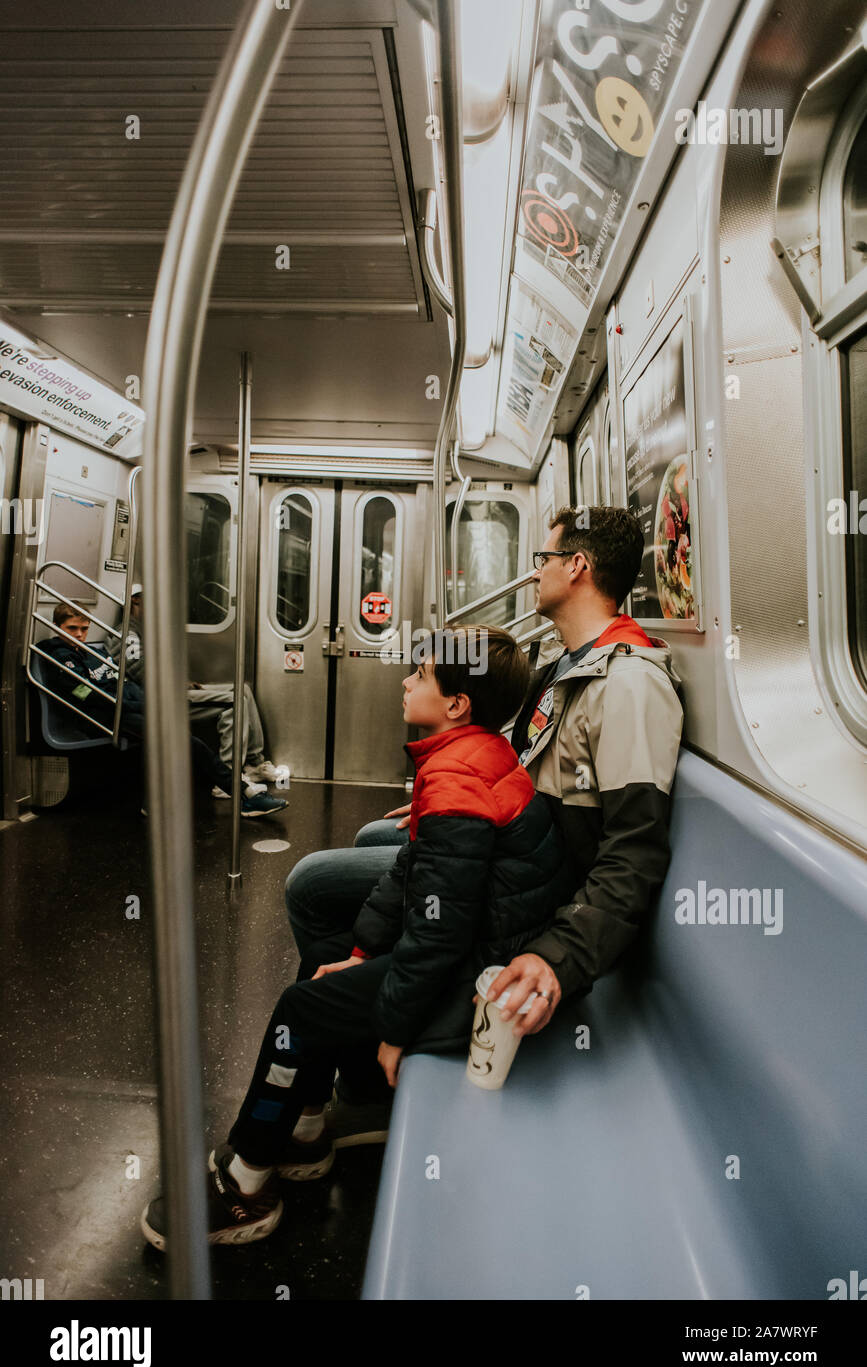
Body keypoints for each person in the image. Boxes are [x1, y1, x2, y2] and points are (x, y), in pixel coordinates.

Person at [140, 626, 575, 1248]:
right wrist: (361, 953)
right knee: (324, 965)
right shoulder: (475, 756)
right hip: (482, 943)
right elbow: (410, 877)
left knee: (301, 1007)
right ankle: (306, 1129)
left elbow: (440, 932)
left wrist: (395, 1027)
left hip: (481, 979)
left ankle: (247, 1185)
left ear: (457, 705)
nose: (406, 680)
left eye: (420, 675)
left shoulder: (455, 782)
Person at [284, 505, 684, 1143]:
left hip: (529, 885)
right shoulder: (563, 665)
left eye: (542, 561)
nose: (533, 576)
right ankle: (359, 1053)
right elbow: (510, 766)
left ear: (577, 567)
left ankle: (359, 1062)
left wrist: (559, 955)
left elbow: (632, 853)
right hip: (508, 841)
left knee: (312, 885)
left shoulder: (629, 684)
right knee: (369, 845)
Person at [37, 602, 287, 817]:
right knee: (186, 742)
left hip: (131, 706)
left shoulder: (90, 652)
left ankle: (165, 802)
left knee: (182, 740)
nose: (79, 635)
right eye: (72, 629)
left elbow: (123, 682)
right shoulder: (61, 658)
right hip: (111, 715)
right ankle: (244, 793)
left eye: (84, 629)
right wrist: (147, 704)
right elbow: (91, 697)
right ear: (58, 628)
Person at [106, 586, 289, 793]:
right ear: (136, 601)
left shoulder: (144, 629)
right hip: (158, 697)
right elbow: (139, 670)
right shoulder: (128, 632)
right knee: (234, 701)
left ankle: (254, 763)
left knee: (243, 689)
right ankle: (227, 779)